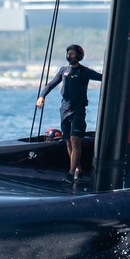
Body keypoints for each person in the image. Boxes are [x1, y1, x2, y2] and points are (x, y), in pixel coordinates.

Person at [37, 44, 102, 180]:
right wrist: (42, 96)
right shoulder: (63, 71)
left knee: (75, 141)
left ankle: (71, 173)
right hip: (64, 110)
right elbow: (50, 85)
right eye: (68, 53)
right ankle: (78, 169)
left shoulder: (84, 72)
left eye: (72, 54)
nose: (69, 56)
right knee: (68, 142)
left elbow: (102, 77)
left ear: (78, 56)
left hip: (78, 110)